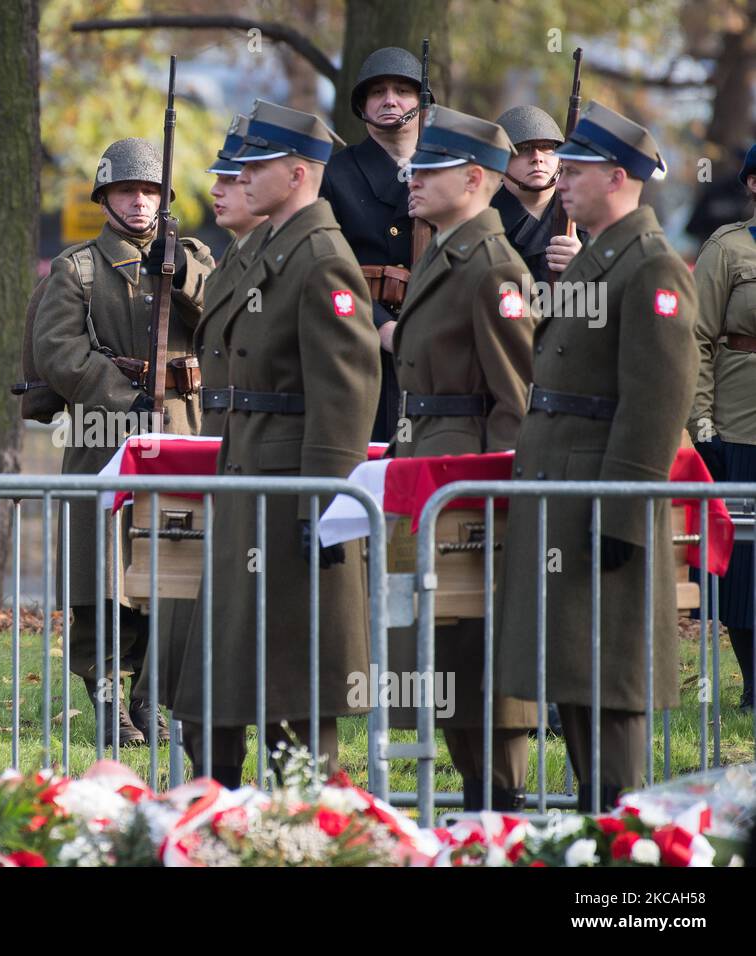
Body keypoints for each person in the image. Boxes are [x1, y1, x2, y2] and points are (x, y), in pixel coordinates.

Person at [169, 100, 380, 787]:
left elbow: (343, 397)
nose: (243, 175)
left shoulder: (320, 258)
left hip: (290, 494)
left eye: (258, 165)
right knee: (219, 680)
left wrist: (322, 511)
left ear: (296, 173)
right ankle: (217, 815)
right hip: (246, 479)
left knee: (295, 688)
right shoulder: (268, 248)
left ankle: (304, 829)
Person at [498, 102, 697, 812]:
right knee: (573, 667)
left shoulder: (650, 269)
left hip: (602, 500)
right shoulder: (600, 259)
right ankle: (595, 816)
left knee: (610, 673)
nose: (563, 182)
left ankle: (624, 826)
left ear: (618, 176)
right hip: (565, 492)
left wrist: (621, 513)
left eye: (576, 171)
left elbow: (657, 402)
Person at [32, 138, 214, 746]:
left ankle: (151, 699)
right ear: (105, 197)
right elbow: (58, 350)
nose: (140, 202)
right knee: (105, 576)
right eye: (128, 191)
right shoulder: (77, 268)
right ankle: (109, 701)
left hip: (180, 433)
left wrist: (179, 271)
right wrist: (122, 396)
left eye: (152, 192)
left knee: (171, 569)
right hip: (102, 436)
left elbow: (225, 314)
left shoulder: (194, 257)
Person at [389, 105, 537, 811]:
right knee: (445, 646)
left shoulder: (491, 264)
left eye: (430, 168)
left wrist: (502, 500)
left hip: (472, 482)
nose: (411, 177)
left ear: (475, 178)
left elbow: (514, 395)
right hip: (432, 469)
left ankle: (500, 800)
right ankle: (475, 797)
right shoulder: (446, 252)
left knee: (482, 647)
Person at [135, 114, 269, 720]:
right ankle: (160, 698)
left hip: (251, 449)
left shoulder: (271, 261)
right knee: (164, 577)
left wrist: (177, 267)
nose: (215, 188)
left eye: (233, 178)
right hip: (202, 440)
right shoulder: (240, 258)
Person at [321, 47, 429, 442]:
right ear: (362, 106)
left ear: (422, 104)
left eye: (403, 90)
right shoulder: (337, 175)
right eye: (377, 92)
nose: (390, 100)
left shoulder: (451, 174)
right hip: (361, 350)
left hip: (437, 354)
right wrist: (381, 325)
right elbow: (326, 273)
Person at [688, 142, 756, 712]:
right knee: (743, 565)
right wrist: (702, 421)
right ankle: (752, 684)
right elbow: (697, 337)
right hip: (740, 423)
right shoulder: (728, 249)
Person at [491, 105, 585, 282]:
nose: (537, 157)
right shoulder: (485, 224)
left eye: (546, 146)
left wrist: (586, 266)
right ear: (499, 161)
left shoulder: (589, 219)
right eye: (523, 148)